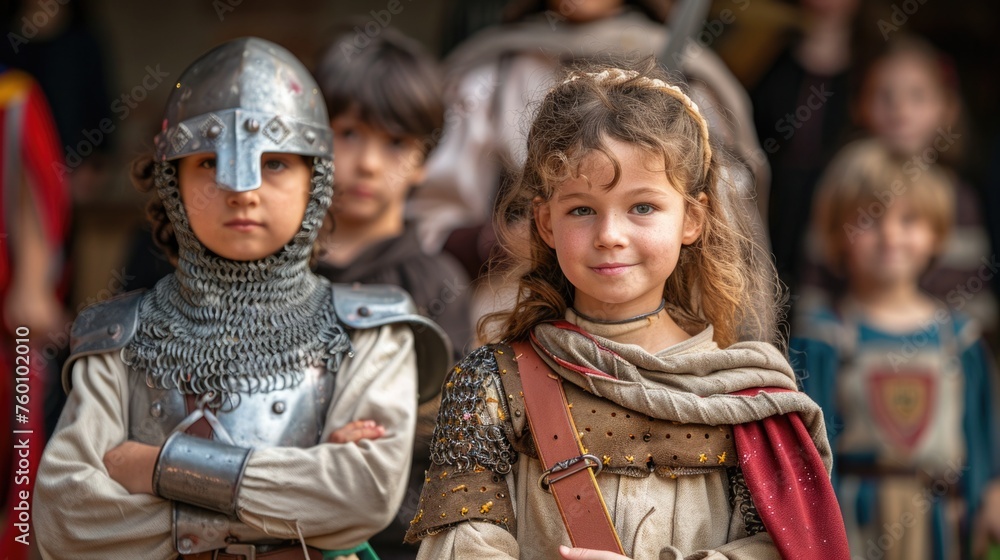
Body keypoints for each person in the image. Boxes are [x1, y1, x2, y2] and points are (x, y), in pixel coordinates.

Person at [405, 59, 849, 560]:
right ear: (545, 223)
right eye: (581, 209)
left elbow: (785, 549)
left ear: (692, 218)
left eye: (642, 207)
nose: (610, 235)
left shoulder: (747, 395)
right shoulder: (494, 386)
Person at [32, 37, 451, 560]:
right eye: (209, 162)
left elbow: (363, 495)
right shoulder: (118, 336)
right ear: (174, 181)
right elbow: (62, 518)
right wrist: (296, 504)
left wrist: (154, 468)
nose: (242, 190)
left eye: (274, 163)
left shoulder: (371, 331)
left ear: (315, 179)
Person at [791, 139, 1000, 560]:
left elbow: (982, 438)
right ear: (837, 235)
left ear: (936, 233)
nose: (890, 236)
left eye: (909, 220)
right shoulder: (824, 339)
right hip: (855, 525)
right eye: (868, 220)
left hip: (943, 527)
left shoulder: (960, 339)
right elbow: (809, 456)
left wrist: (990, 496)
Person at [312, 25, 474, 560]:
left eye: (396, 143)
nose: (369, 163)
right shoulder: (272, 269)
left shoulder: (437, 284)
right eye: (349, 133)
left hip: (391, 539)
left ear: (424, 159)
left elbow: (451, 429)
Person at [0, 65, 69, 556]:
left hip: (10, 322)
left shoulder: (12, 95)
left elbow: (28, 182)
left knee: (23, 458)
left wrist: (31, 280)